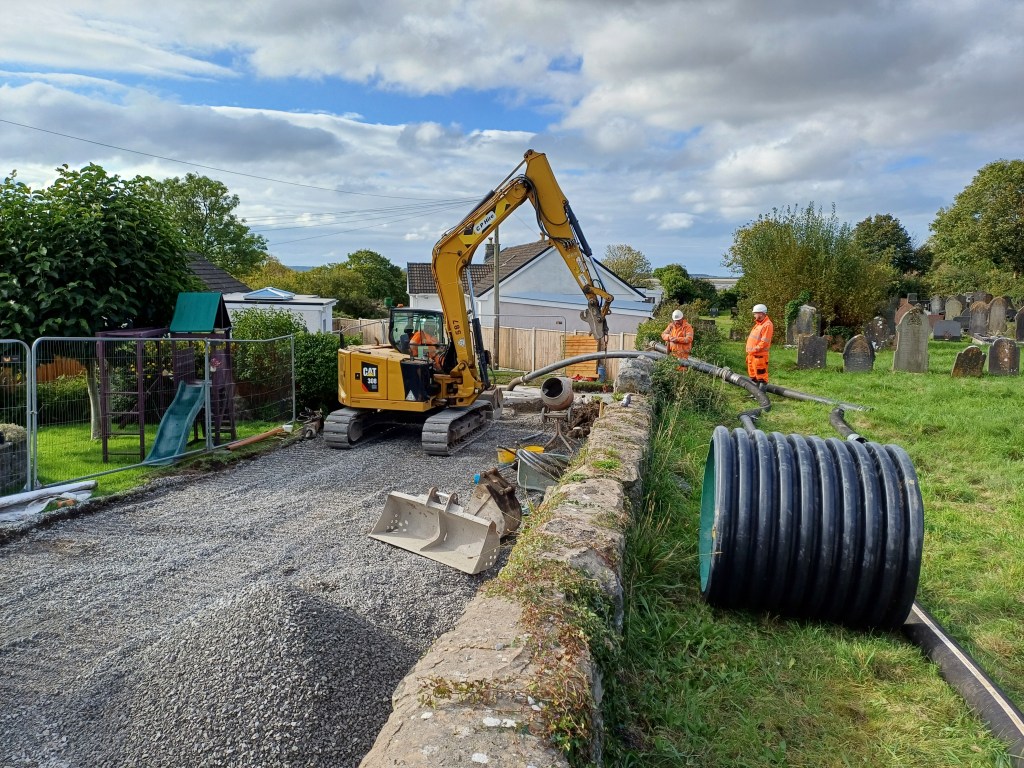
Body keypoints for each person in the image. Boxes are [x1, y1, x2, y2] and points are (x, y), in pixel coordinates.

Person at [746, 303, 774, 385]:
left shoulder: (767, 325)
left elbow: (764, 342)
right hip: (752, 355)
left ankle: (761, 393)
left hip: (759, 357)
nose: (754, 315)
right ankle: (754, 391)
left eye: (755, 313)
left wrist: (755, 349)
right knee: (753, 377)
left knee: (761, 378)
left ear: (761, 314)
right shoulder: (758, 324)